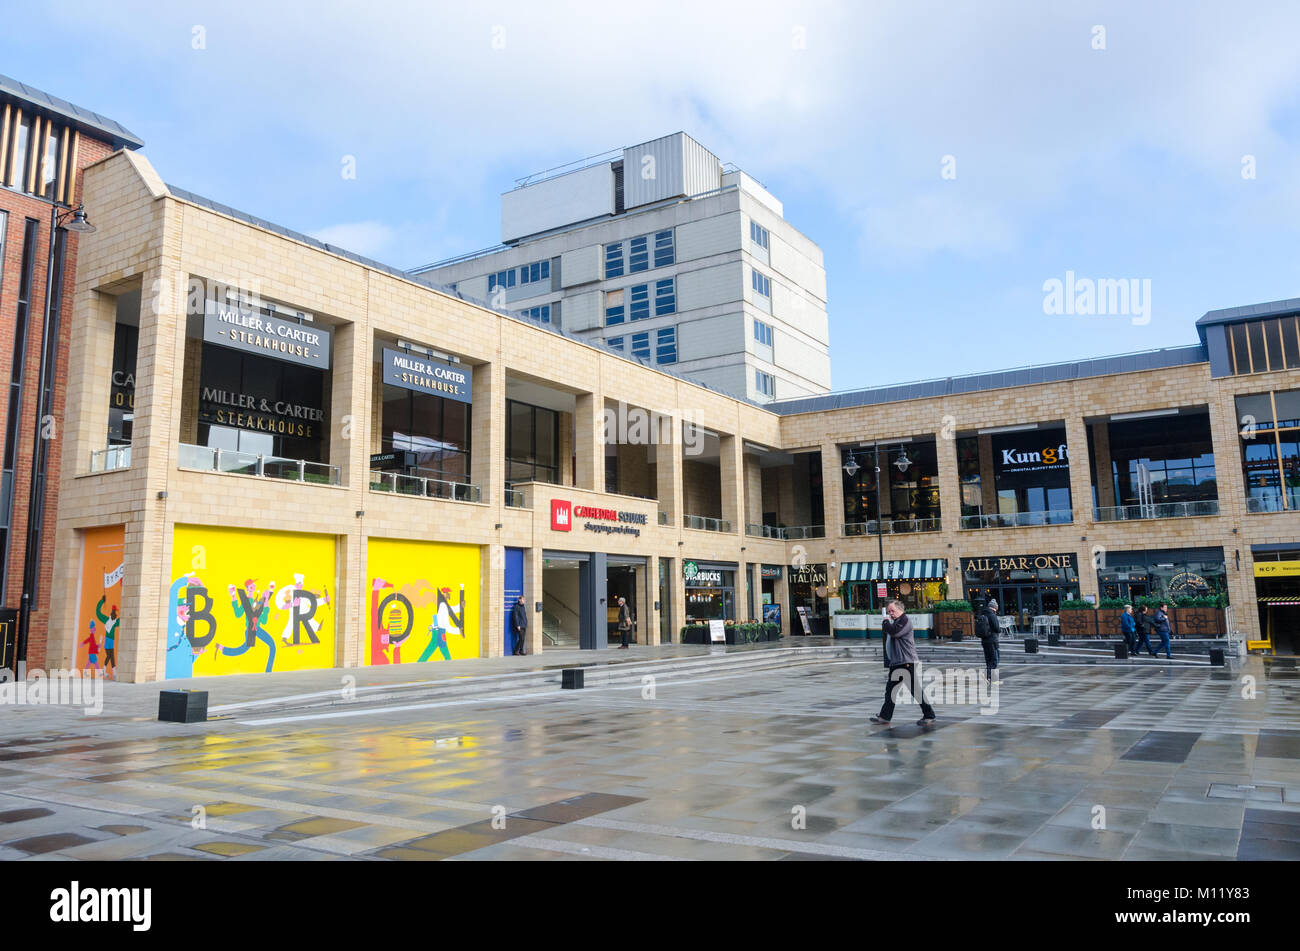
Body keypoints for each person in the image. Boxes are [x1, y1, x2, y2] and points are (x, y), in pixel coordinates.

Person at [870, 599, 937, 726]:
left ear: (900, 610)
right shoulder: (896, 622)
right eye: (889, 611)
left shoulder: (905, 621)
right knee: (890, 691)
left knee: (915, 690)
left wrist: (885, 621)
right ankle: (885, 716)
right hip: (897, 662)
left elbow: (895, 632)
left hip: (906, 662)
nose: (890, 614)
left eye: (892, 611)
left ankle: (929, 715)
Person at [974, 598, 1001, 684]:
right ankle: (989, 676)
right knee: (995, 660)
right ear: (995, 608)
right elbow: (997, 628)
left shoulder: (982, 614)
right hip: (992, 640)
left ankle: (990, 678)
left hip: (984, 640)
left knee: (989, 660)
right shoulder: (992, 615)